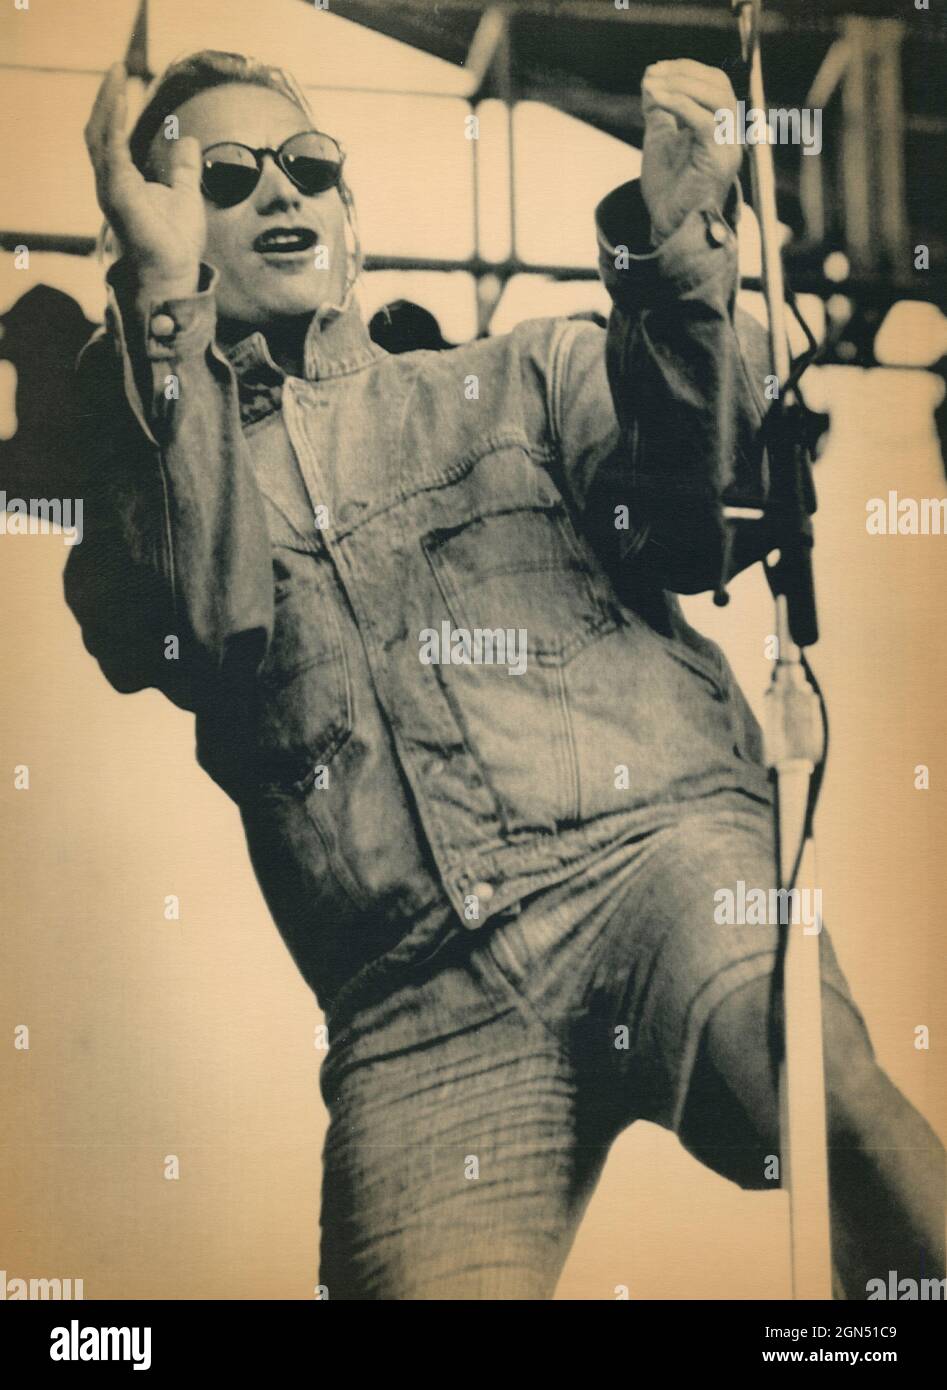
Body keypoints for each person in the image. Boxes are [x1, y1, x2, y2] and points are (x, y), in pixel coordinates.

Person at [66, 49, 944, 1300]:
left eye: (309, 168)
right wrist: (163, 310)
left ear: (348, 214)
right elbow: (201, 634)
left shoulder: (519, 377)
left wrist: (680, 247)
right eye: (226, 175)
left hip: (655, 858)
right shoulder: (140, 488)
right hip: (416, 1000)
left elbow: (691, 524)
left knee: (820, 1089)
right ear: (160, 218)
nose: (281, 195)